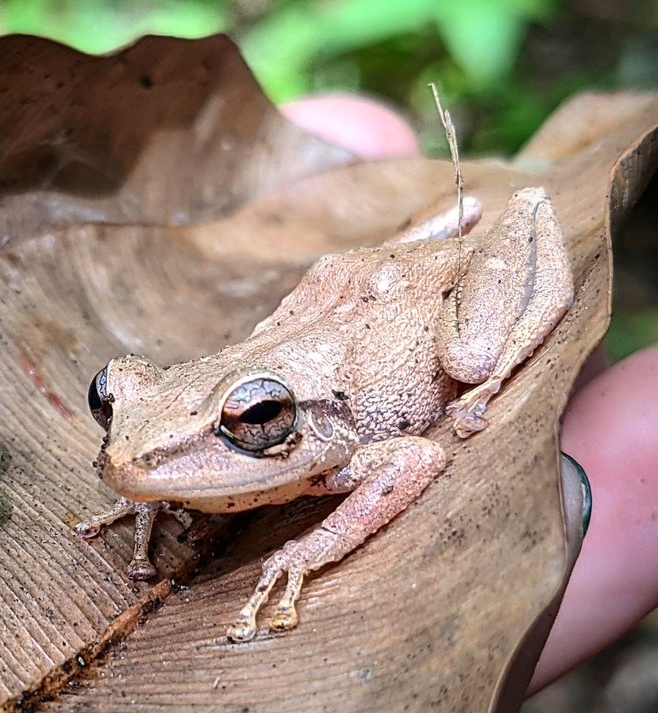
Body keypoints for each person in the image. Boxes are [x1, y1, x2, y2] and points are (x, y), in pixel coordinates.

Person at [281, 94, 658, 694]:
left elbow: (415, 455)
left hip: (425, 298)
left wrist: (313, 545)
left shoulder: (331, 442)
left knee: (470, 357)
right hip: (367, 294)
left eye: (260, 419)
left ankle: (501, 348)